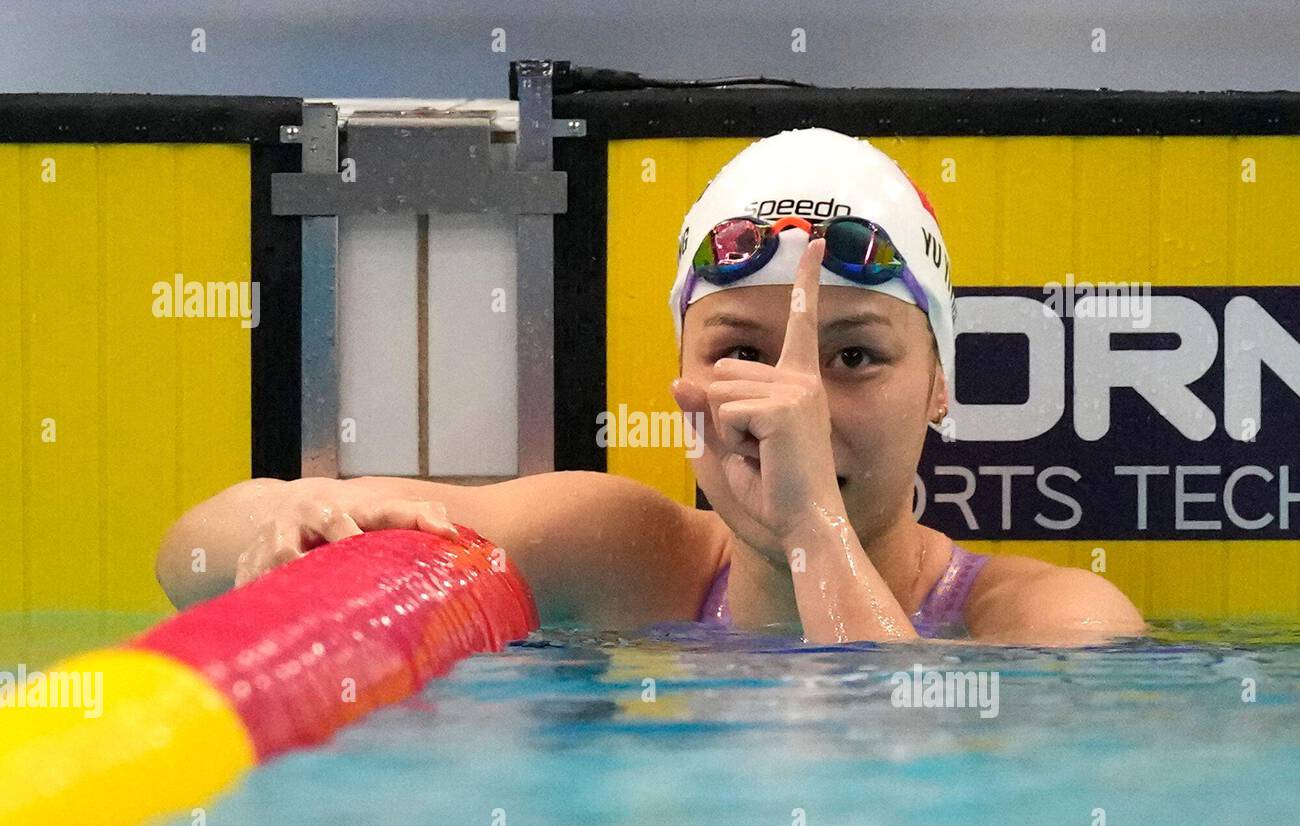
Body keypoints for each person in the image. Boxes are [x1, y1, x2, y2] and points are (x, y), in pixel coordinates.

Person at [156, 128, 1145, 645]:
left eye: (852, 357)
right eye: (741, 355)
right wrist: (306, 527)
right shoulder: (626, 552)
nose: (788, 405)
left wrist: (811, 535)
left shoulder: (1052, 622)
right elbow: (186, 556)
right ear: (681, 375)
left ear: (940, 384)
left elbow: (898, 778)